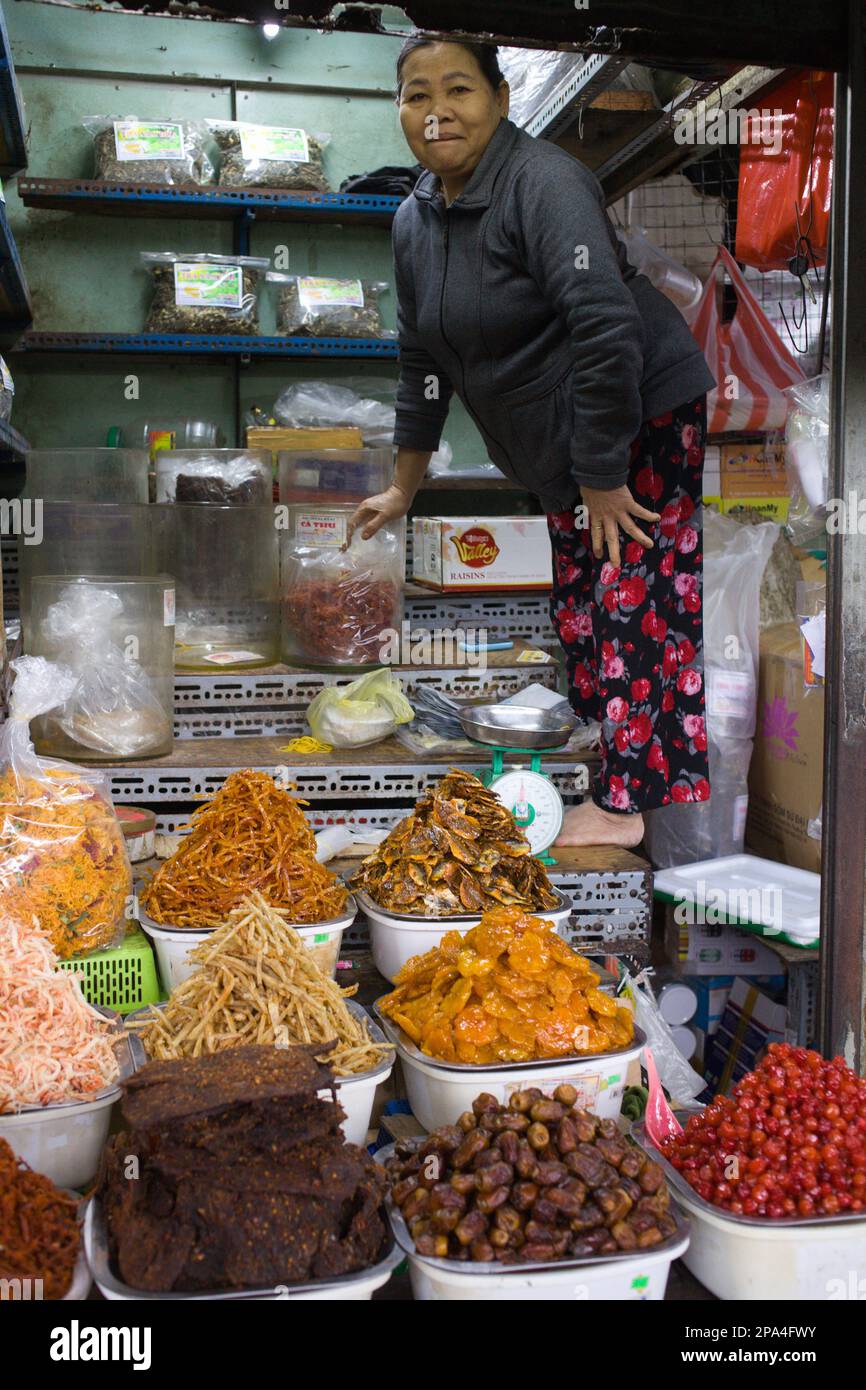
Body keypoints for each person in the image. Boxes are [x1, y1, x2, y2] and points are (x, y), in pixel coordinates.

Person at [348, 37, 716, 848]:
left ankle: (626, 806)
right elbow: (422, 361)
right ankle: (604, 743)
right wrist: (403, 487)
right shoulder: (415, 219)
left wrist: (601, 472)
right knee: (581, 603)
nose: (436, 110)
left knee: (635, 600)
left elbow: (606, 326)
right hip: (564, 443)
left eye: (458, 89)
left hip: (637, 415)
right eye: (415, 94)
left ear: (502, 98)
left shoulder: (543, 184)